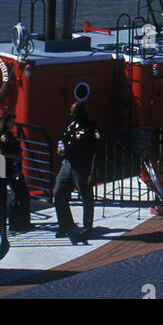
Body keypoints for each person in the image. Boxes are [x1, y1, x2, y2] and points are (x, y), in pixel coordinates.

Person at [53, 101, 100, 243]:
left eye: (74, 112)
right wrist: (59, 149)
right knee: (59, 194)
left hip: (82, 167)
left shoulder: (92, 128)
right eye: (71, 112)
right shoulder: (68, 126)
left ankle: (87, 227)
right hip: (67, 164)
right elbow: (61, 141)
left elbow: (97, 151)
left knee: (86, 198)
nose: (71, 115)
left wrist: (93, 172)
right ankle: (65, 224)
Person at [0, 112, 32, 233]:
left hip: (15, 168)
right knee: (18, 194)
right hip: (10, 168)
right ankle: (16, 223)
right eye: (12, 121)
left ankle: (22, 222)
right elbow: (0, 153)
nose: (13, 123)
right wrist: (14, 156)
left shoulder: (9, 134)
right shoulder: (3, 135)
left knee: (22, 194)